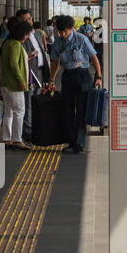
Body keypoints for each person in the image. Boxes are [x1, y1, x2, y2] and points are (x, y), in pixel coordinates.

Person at [47, 15, 101, 154]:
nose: (62, 34)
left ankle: (79, 143)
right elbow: (55, 62)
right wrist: (51, 80)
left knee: (81, 110)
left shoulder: (81, 39)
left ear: (71, 28)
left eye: (65, 31)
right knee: (67, 110)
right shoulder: (58, 42)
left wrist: (98, 77)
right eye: (60, 32)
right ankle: (71, 142)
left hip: (83, 76)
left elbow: (94, 57)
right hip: (68, 76)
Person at [0, 19, 31, 150]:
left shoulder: (7, 44)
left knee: (9, 112)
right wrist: (21, 80)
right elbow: (13, 64)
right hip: (14, 85)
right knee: (19, 111)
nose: (28, 36)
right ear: (22, 33)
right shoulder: (16, 45)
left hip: (5, 83)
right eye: (27, 34)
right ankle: (17, 139)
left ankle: (7, 139)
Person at [15, 9, 48, 92]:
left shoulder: (38, 33)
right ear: (19, 21)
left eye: (29, 18)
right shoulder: (19, 38)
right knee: (29, 100)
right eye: (25, 20)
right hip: (29, 73)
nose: (29, 21)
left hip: (40, 69)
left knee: (38, 99)